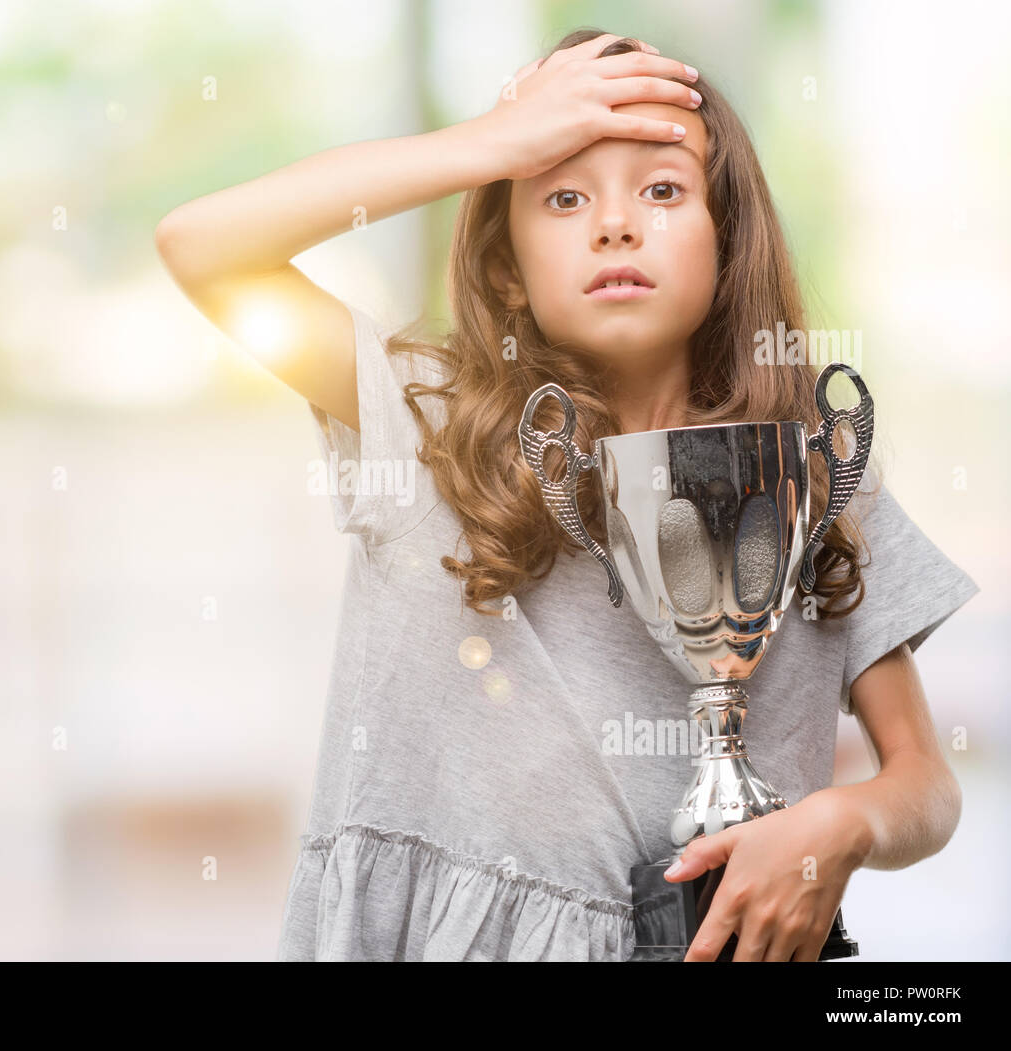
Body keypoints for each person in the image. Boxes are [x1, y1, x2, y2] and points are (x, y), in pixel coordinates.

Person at [154, 28, 980, 962]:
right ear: (506, 264)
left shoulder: (816, 472)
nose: (615, 224)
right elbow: (201, 247)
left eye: (663, 191)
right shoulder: (424, 422)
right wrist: (495, 141)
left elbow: (926, 785)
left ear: (727, 239)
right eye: (561, 193)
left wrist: (845, 822)